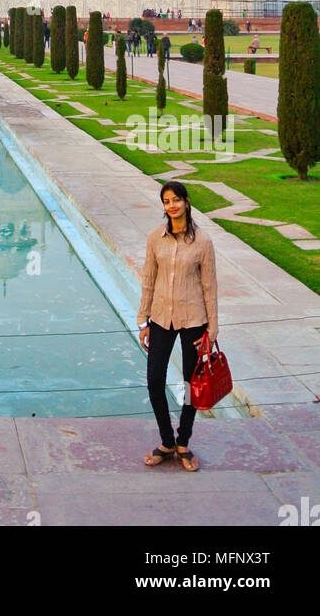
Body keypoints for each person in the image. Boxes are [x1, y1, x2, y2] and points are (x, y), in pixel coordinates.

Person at [139, 181, 218, 473]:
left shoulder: (203, 242)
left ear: (186, 202)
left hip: (193, 320)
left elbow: (210, 287)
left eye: (176, 200)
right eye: (166, 201)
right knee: (154, 380)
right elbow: (148, 280)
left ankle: (183, 442)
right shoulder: (155, 239)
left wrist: (213, 328)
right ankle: (166, 440)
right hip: (160, 319)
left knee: (190, 385)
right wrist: (143, 319)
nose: (171, 206)